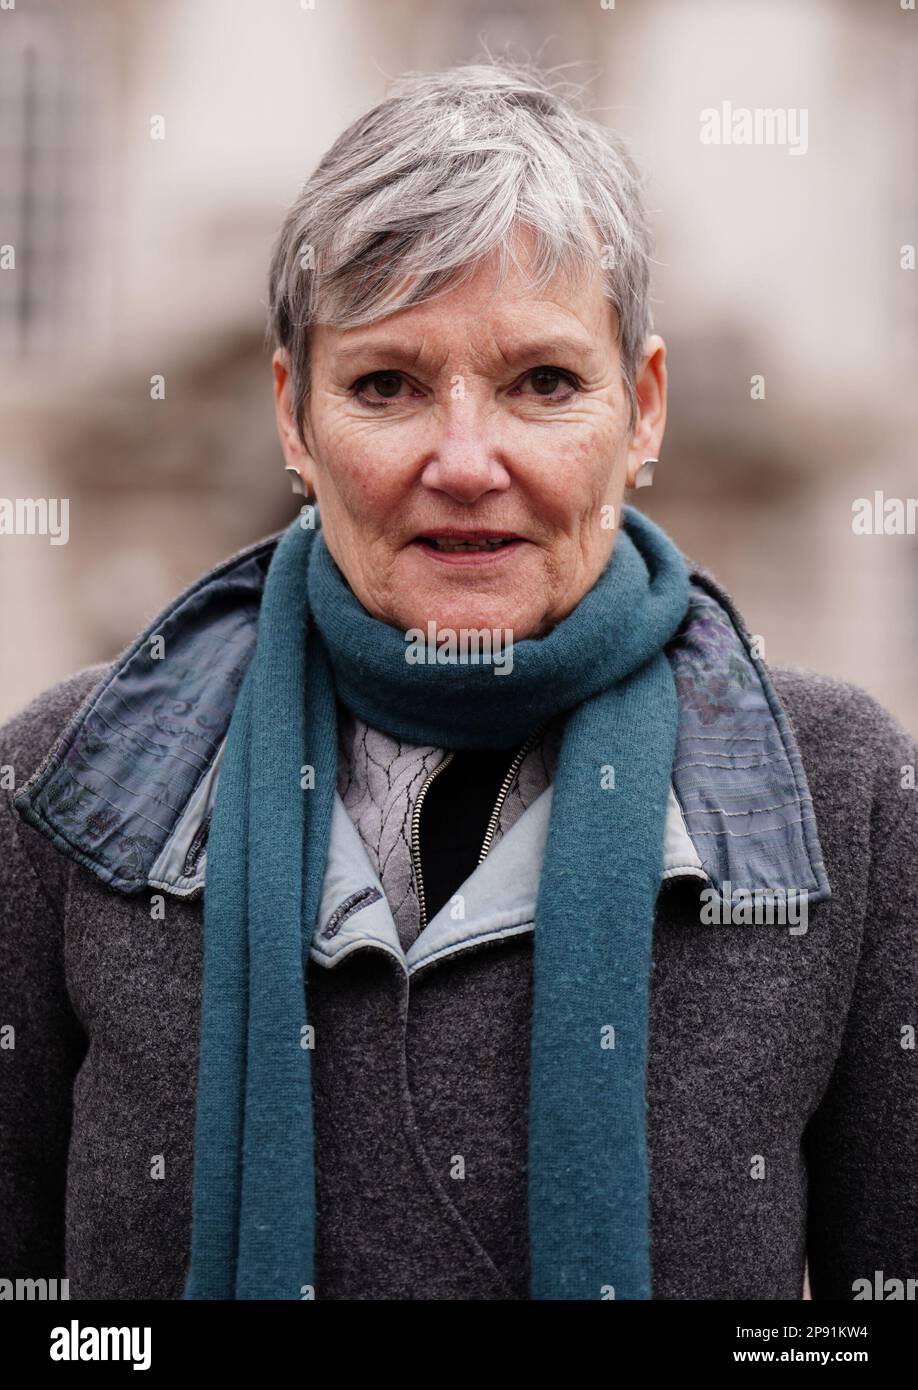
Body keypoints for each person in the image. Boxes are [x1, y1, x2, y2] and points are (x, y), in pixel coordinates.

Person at [1, 58, 916, 1302]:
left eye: (544, 382)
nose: (466, 459)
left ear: (642, 409)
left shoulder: (844, 794)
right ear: (292, 416)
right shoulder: (64, 787)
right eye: (387, 384)